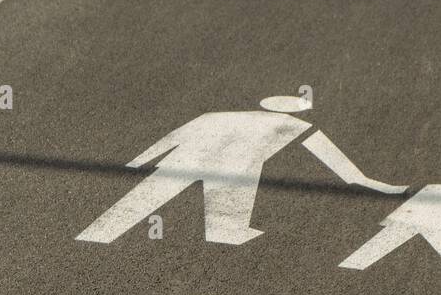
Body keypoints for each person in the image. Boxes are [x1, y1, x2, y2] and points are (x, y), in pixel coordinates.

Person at [77, 93, 406, 245]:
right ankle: (226, 235)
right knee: (226, 224)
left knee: (133, 206)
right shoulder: (293, 126)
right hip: (236, 170)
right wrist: (367, 182)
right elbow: (335, 162)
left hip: (181, 162)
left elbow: (173, 138)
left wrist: (138, 162)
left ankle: (102, 232)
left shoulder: (218, 115)